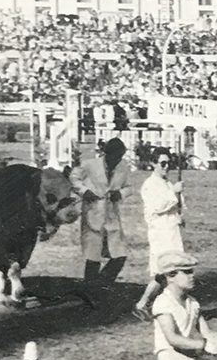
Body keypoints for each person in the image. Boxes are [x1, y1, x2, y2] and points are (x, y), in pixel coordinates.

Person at [71, 136, 131, 285]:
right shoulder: (91, 165)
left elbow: (129, 187)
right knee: (93, 257)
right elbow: (73, 177)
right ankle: (91, 289)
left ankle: (101, 285)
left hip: (111, 215)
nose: (117, 160)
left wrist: (120, 193)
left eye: (120, 157)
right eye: (115, 156)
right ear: (107, 154)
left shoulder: (123, 167)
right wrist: (85, 191)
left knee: (120, 254)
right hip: (93, 213)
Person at [133, 153, 184, 320]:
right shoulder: (149, 184)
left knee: (169, 271)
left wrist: (179, 215)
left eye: (168, 163)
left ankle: (148, 304)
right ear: (153, 164)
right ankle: (147, 304)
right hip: (160, 232)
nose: (166, 167)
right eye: (162, 163)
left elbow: (174, 206)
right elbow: (157, 206)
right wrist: (174, 193)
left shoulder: (166, 182)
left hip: (171, 230)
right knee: (166, 271)